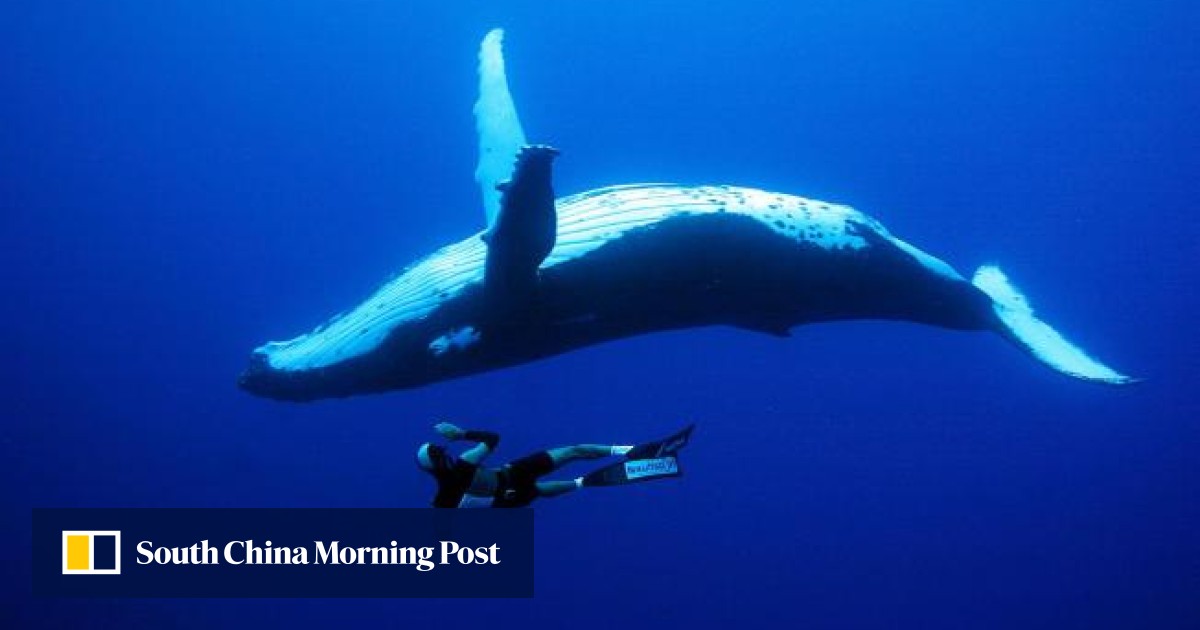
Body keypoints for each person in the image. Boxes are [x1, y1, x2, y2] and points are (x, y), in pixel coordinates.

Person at [415, 422, 634, 508]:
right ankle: (625, 450)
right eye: (440, 453)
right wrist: (462, 434)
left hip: (507, 495)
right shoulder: (464, 463)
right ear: (439, 460)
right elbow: (493, 438)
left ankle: (581, 482)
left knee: (539, 490)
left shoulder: (443, 498)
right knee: (572, 451)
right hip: (511, 476)